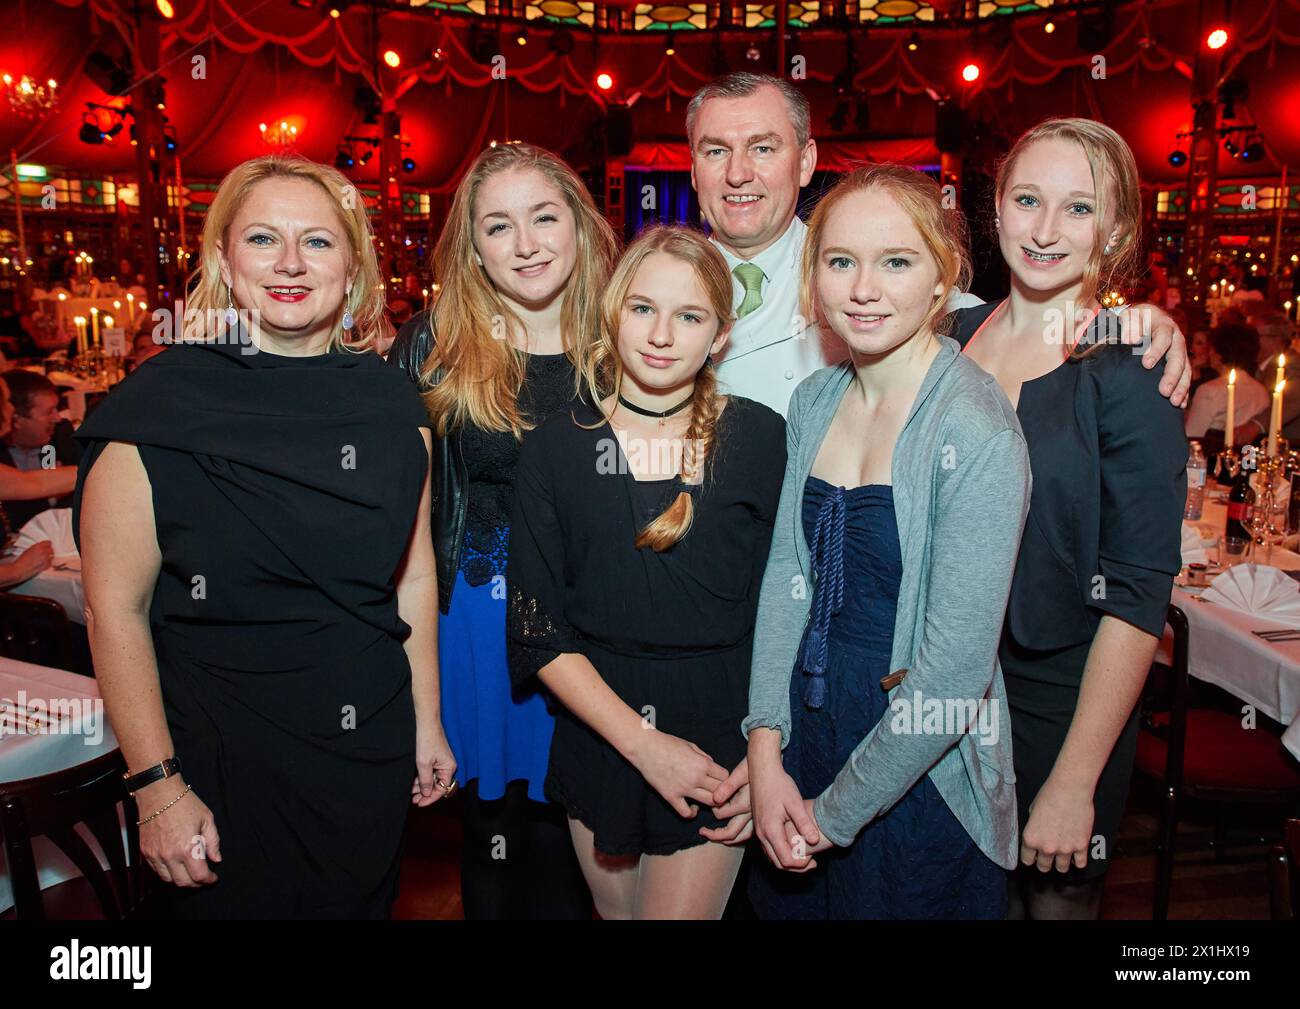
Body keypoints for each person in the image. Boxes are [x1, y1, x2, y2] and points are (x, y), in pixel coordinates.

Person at [74, 154, 455, 919]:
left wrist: (427, 720)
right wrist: (154, 784)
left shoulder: (394, 404)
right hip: (216, 762)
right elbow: (112, 607)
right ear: (222, 257)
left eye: (316, 242)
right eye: (262, 239)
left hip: (362, 751)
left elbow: (411, 578)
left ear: (351, 267)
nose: (289, 263)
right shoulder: (155, 406)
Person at [743, 165, 1029, 919]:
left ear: (943, 280)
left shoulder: (975, 426)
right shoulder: (815, 397)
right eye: (840, 262)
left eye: (896, 261)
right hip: (808, 731)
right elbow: (786, 577)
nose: (863, 288)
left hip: (916, 767)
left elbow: (953, 676)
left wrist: (833, 816)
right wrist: (765, 749)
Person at [506, 226, 786, 919]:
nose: (662, 334)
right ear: (612, 313)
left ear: (721, 335)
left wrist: (767, 750)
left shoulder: (759, 437)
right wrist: (641, 743)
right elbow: (538, 627)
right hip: (601, 722)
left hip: (719, 729)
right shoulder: (555, 448)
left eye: (689, 315)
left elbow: (786, 609)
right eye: (642, 308)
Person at [953, 118, 1186, 919]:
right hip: (940, 690)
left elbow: (1137, 590)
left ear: (1115, 228)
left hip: (1062, 698)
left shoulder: (1128, 370)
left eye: (1078, 209)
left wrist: (1075, 778)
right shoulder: (945, 337)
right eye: (1027, 199)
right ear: (997, 206)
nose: (1046, 231)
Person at [386, 142, 614, 919]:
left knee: (579, 830)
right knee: (492, 833)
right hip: (478, 626)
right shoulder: (434, 342)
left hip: (594, 624)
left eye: (544, 217)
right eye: (498, 226)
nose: (525, 244)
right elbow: (400, 528)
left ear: (579, 224)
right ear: (472, 247)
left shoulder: (627, 332)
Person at [684, 72, 1193, 417]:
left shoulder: (855, 276)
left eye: (764, 148)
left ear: (805, 161)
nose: (738, 173)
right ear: (692, 166)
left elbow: (1005, 322)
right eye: (715, 151)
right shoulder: (652, 287)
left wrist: (1127, 321)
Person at [0, 369, 81, 529]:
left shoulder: (60, 436)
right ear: (17, 420)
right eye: (7, 403)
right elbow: (32, 484)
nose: (57, 418)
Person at [1185, 323, 1270, 445]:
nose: (1209, 354)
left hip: (1215, 460)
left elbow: (1192, 437)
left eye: (1211, 349)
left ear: (1219, 353)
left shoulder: (1210, 391)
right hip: (1249, 461)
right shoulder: (1261, 390)